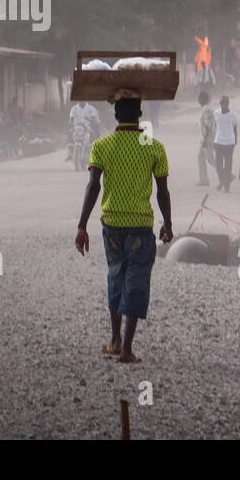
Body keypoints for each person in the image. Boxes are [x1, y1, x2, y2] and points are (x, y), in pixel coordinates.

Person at [74, 95, 173, 364]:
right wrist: (168, 223)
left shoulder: (102, 146)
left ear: (115, 116)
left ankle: (115, 340)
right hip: (141, 225)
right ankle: (127, 348)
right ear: (140, 114)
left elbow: (93, 186)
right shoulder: (153, 147)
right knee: (137, 281)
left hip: (112, 224)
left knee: (116, 275)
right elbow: (162, 191)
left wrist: (82, 225)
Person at [211, 95, 238, 192]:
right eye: (221, 103)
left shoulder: (233, 115)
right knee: (218, 165)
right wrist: (212, 140)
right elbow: (214, 128)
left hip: (229, 142)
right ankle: (226, 179)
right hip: (218, 142)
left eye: (225, 103)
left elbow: (235, 129)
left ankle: (226, 186)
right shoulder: (216, 113)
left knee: (228, 165)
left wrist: (235, 140)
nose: (223, 105)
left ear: (228, 103)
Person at [196, 91, 215, 187]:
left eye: (200, 98)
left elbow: (208, 126)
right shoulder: (205, 109)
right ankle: (204, 180)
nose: (198, 100)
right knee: (201, 158)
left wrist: (205, 140)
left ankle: (226, 174)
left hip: (207, 139)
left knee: (210, 159)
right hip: (205, 139)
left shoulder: (206, 109)